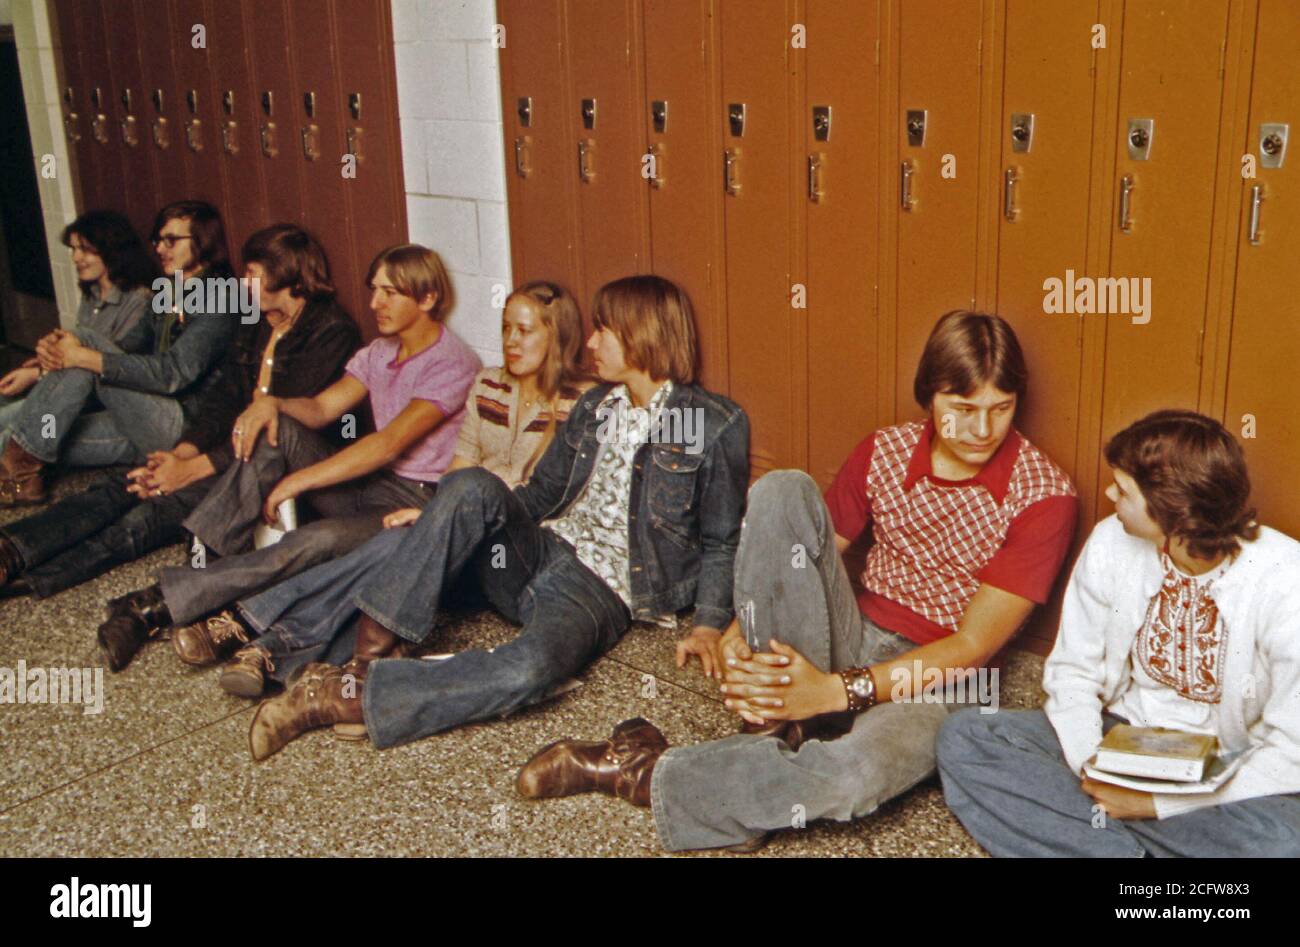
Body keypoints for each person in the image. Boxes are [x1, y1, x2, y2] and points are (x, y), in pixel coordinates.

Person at [515, 310, 1078, 853]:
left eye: (1000, 408)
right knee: (781, 489)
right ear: (929, 396)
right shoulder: (885, 449)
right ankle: (776, 722)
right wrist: (741, 627)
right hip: (854, 632)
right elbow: (806, 551)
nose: (982, 429)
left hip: (943, 679)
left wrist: (834, 691)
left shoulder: (1044, 494)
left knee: (854, 778)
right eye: (963, 408)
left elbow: (972, 645)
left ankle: (644, 767)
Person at [243, 274, 750, 762]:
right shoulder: (597, 405)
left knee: (532, 669)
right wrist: (449, 517)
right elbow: (544, 491)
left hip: (601, 589)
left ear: (641, 336)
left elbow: (720, 539)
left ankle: (340, 695)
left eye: (604, 330)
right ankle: (359, 663)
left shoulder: (709, 422)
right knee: (464, 488)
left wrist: (708, 623)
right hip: (538, 551)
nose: (592, 341)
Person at [177, 280, 590, 700]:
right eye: (505, 329)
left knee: (394, 546)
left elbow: (545, 498)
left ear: (557, 335)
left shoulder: (580, 405)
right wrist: (439, 514)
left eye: (524, 331)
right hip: (457, 521)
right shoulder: (489, 384)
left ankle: (250, 624)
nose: (511, 342)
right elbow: (460, 466)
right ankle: (266, 651)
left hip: (510, 555)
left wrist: (437, 517)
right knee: (387, 550)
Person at [93, 244, 480, 670]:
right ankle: (202, 567)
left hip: (415, 503)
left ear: (427, 299)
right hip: (372, 483)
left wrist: (301, 479)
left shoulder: (452, 362)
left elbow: (387, 444)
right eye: (374, 290)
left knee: (314, 542)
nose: (375, 303)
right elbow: (321, 409)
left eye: (390, 293)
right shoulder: (380, 351)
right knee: (275, 428)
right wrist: (272, 404)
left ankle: (153, 606)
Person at [937, 410, 1300, 857]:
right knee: (970, 736)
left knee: (1284, 840)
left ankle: (1087, 839)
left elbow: (1292, 751)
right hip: (1120, 737)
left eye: (1123, 490)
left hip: (1227, 763)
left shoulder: (1286, 578)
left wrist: (1155, 804)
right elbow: (1073, 673)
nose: (1109, 495)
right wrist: (1094, 766)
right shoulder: (1111, 540)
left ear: (1173, 513)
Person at [0, 225, 361, 665]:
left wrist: (196, 468)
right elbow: (224, 398)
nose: (242, 283)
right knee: (127, 485)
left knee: (146, 519)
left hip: (279, 464)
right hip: (228, 451)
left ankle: (54, 584)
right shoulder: (257, 322)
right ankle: (13, 551)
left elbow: (279, 431)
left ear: (284, 274)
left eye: (252, 273)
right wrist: (184, 453)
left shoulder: (330, 330)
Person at [0, 200, 236, 505]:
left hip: (183, 430)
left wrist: (82, 354)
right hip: (142, 421)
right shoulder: (169, 292)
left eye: (171, 240)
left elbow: (171, 375)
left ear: (203, 242)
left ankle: (19, 471)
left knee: (84, 342)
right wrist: (50, 360)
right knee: (49, 431)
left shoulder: (223, 298)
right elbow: (125, 351)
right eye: (158, 240)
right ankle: (22, 477)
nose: (160, 249)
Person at [0, 210, 157, 454]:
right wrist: (40, 363)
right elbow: (71, 355)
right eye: (73, 249)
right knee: (4, 397)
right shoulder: (92, 295)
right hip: (70, 385)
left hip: (108, 396)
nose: (75, 258)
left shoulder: (140, 299)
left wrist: (37, 376)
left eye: (84, 249)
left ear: (111, 250)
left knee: (14, 420)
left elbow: (103, 365)